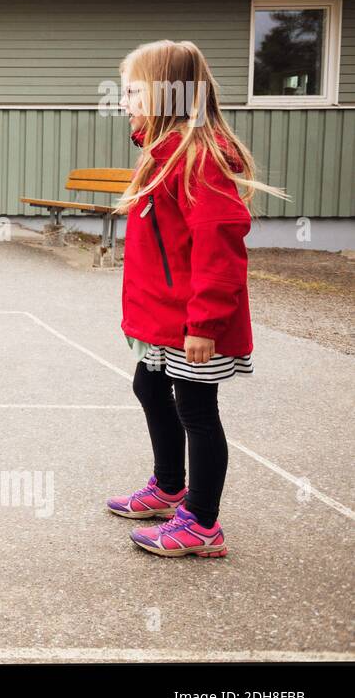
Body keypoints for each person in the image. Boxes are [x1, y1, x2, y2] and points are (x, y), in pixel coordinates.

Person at [106, 40, 283, 557]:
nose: (124, 101)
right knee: (149, 386)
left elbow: (219, 248)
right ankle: (168, 487)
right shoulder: (161, 152)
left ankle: (203, 523)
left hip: (194, 324)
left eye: (133, 91)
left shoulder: (199, 158)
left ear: (167, 92)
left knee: (197, 412)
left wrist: (204, 322)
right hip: (163, 320)